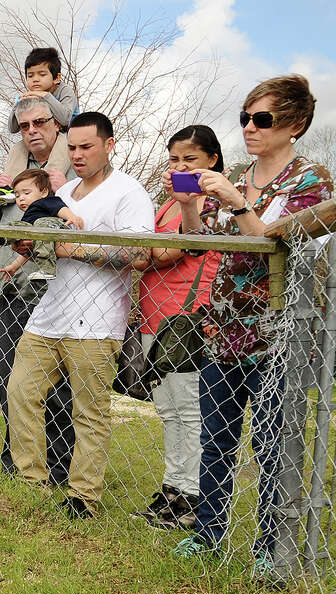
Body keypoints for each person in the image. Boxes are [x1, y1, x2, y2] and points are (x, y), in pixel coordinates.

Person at [169, 76, 333, 580]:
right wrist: (192, 207)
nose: (249, 128)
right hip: (223, 328)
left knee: (272, 444)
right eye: (245, 117)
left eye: (262, 119)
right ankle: (209, 533)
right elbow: (201, 244)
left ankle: (269, 545)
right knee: (216, 439)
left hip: (280, 332)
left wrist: (240, 205)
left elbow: (278, 241)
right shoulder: (236, 174)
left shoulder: (314, 183)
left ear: (295, 124)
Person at [6, 112, 155, 519]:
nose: (77, 154)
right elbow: (43, 234)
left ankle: (83, 497)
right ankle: (30, 483)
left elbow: (140, 255)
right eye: (71, 147)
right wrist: (29, 245)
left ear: (109, 145)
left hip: (99, 319)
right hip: (48, 314)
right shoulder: (65, 190)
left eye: (86, 146)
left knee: (89, 412)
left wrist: (77, 249)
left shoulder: (129, 192)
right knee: (20, 394)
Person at [132, 125, 224, 530]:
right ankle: (172, 489)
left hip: (187, 314)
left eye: (190, 159)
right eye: (174, 160)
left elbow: (170, 251)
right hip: (155, 312)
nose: (180, 167)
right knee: (168, 410)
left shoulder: (215, 201)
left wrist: (145, 249)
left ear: (212, 160)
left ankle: (191, 495)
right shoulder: (168, 204)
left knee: (189, 410)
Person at [0, 98, 75, 486]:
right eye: (24, 126)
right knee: (10, 380)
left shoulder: (71, 171)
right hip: (10, 291)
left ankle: (58, 466)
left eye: (40, 122)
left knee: (54, 386)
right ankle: (16, 460)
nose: (32, 130)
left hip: (52, 294)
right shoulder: (12, 175)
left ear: (57, 123)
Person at [0, 47, 78, 199]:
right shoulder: (29, 96)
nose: (35, 79)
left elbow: (65, 119)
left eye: (42, 74)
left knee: (63, 144)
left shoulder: (64, 91)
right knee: (19, 147)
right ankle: (10, 188)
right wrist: (18, 104)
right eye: (30, 75)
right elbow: (13, 128)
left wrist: (46, 96)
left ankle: (44, 186)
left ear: (56, 78)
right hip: (45, 136)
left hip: (66, 134)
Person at [0, 168, 85, 282]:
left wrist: (71, 217)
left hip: (54, 230)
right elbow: (28, 247)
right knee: (19, 226)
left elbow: (60, 208)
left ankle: (47, 269)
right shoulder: (28, 216)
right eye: (17, 195)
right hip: (41, 238)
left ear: (43, 192)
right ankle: (1, 235)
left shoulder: (46, 201)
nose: (21, 198)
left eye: (26, 193)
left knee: (39, 225)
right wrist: (14, 266)